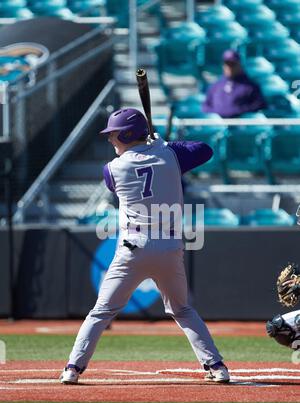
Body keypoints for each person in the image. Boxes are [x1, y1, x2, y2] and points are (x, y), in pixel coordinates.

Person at [60, 108, 230, 385]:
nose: (110, 139)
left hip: (133, 249)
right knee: (183, 310)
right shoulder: (171, 154)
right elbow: (204, 150)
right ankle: (217, 365)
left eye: (113, 134)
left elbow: (137, 170)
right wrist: (164, 144)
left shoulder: (112, 170)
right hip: (169, 247)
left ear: (127, 133)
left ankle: (73, 368)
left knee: (101, 311)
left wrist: (156, 148)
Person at [202, 49, 266, 118]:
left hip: (241, 126)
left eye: (232, 64)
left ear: (239, 65)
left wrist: (237, 111)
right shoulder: (215, 87)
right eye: (227, 64)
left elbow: (259, 105)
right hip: (218, 125)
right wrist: (219, 112)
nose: (229, 68)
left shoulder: (250, 87)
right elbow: (206, 107)